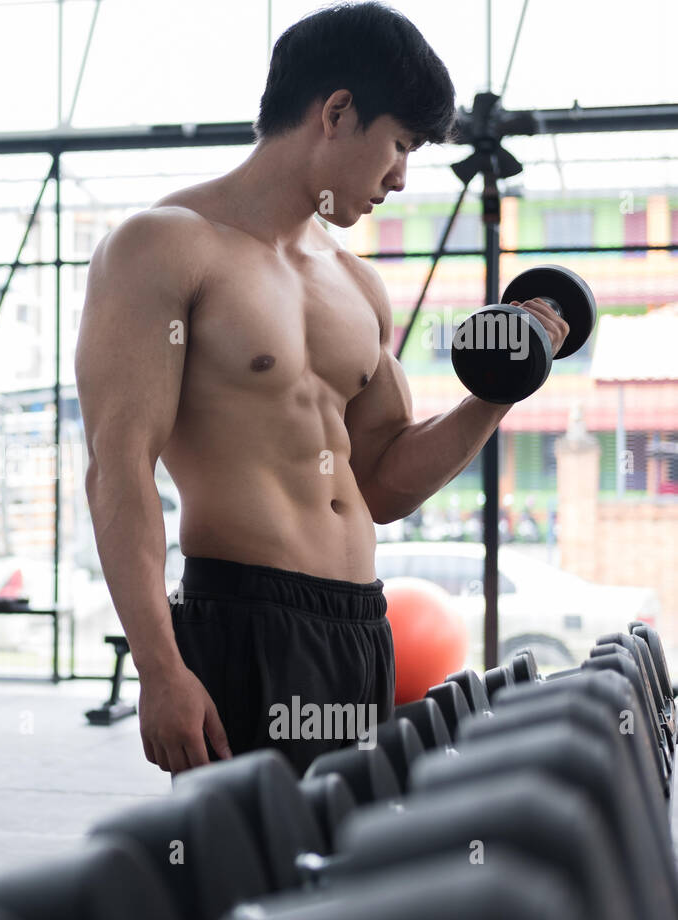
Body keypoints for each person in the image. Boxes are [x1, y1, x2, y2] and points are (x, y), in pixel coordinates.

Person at [74, 1, 569, 777]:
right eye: (399, 145)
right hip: (243, 623)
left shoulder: (357, 285)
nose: (400, 179)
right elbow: (118, 466)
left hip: (358, 627)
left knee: (351, 882)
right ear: (338, 112)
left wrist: (500, 389)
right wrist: (160, 669)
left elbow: (382, 482)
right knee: (251, 882)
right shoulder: (162, 246)